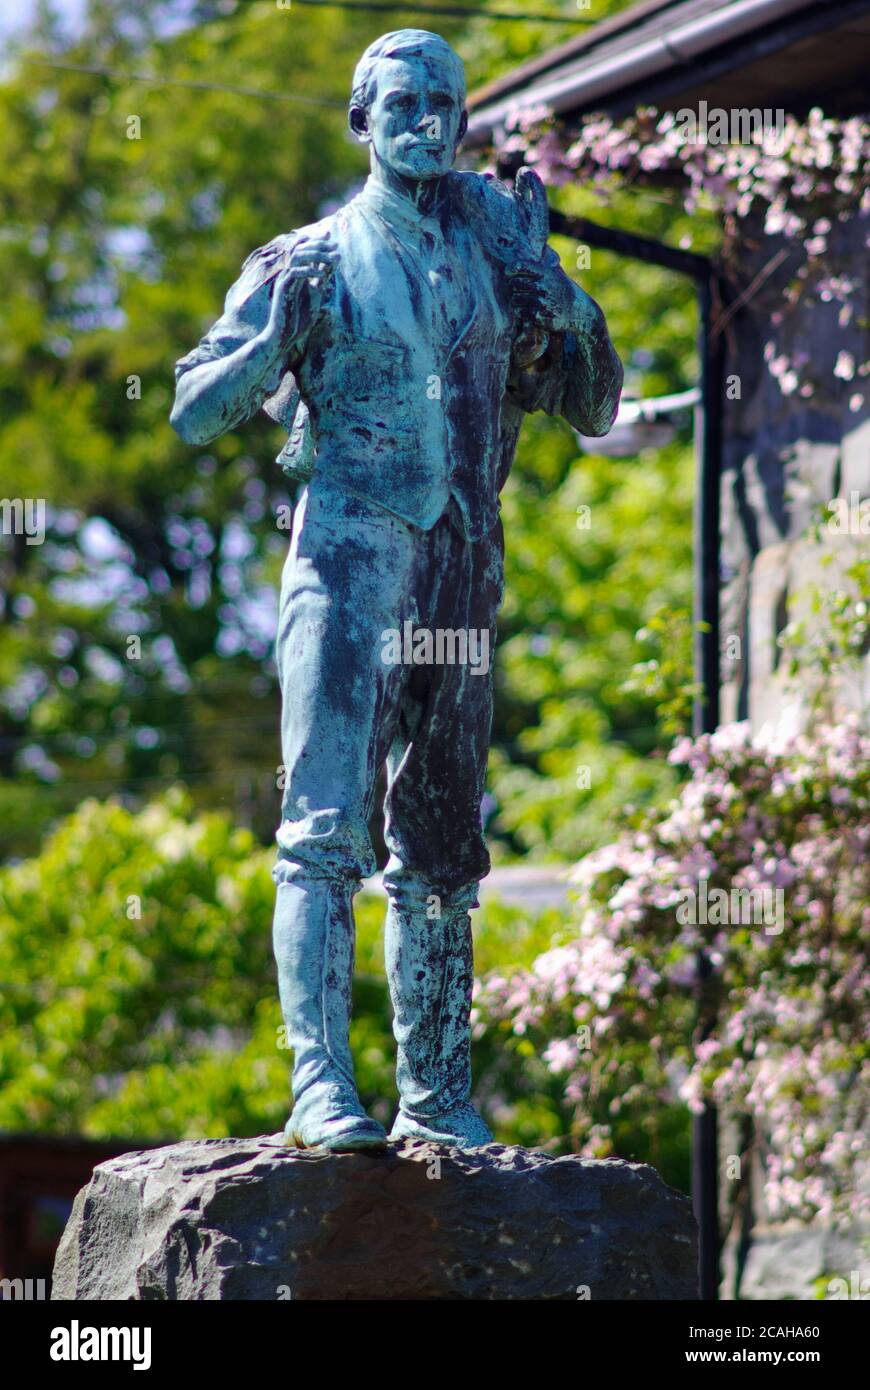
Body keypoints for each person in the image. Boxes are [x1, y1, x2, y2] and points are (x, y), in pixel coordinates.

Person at [171, 29, 623, 1152]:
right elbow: (192, 409)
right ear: (362, 122)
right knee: (324, 825)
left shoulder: (499, 249)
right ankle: (321, 1085)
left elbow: (599, 407)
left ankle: (436, 1090)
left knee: (441, 843)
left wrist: (558, 287)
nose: (427, 117)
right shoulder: (310, 258)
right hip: (347, 560)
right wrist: (270, 340)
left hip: (463, 569)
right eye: (403, 100)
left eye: (445, 101)